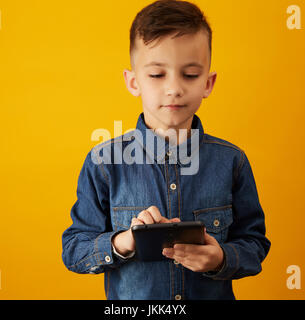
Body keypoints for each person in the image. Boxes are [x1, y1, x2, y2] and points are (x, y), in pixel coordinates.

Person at [61, 0, 270, 300]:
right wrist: (124, 241)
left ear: (208, 83)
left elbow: (255, 244)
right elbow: (74, 250)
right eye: (157, 75)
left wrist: (221, 258)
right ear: (133, 82)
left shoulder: (231, 161)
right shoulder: (103, 164)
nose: (174, 88)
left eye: (190, 74)